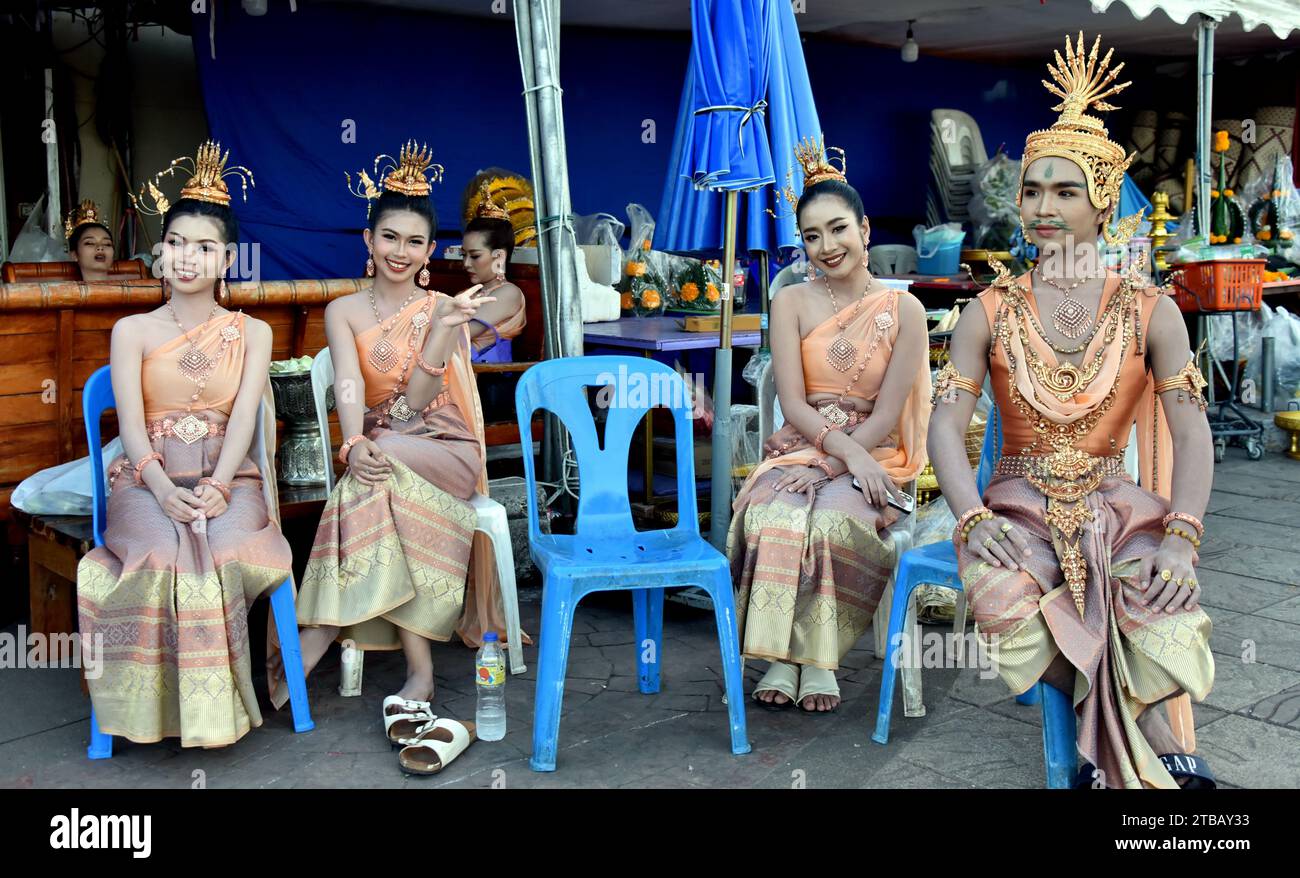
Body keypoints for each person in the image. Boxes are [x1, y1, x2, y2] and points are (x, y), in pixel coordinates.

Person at [927, 34, 1216, 788]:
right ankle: (1160, 755)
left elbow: (1192, 431)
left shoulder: (1151, 311)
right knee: (1001, 599)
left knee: (1161, 601)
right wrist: (971, 518)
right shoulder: (986, 310)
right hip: (1015, 507)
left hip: (1118, 505)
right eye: (1031, 190)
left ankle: (1105, 762)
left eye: (1065, 191)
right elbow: (944, 430)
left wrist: (1182, 536)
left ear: (1102, 202)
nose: (1043, 207)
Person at [291, 142, 508, 751]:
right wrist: (353, 441)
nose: (400, 252)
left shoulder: (443, 306)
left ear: (429, 251)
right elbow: (351, 384)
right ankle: (420, 672)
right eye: (389, 237)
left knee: (377, 468)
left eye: (415, 242)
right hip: (386, 444)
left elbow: (416, 402)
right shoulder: (343, 309)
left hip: (445, 443)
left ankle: (317, 634)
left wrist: (441, 334)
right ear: (368, 238)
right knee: (374, 478)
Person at [76, 141, 291, 747]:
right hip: (148, 476)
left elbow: (245, 415)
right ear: (159, 254)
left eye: (205, 247)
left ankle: (209, 717)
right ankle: (151, 715)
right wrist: (164, 488)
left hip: (229, 477)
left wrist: (220, 487)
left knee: (221, 555)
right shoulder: (132, 331)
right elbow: (133, 426)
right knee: (159, 556)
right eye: (176, 244)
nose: (188, 258)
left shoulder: (253, 332)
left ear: (227, 258)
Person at [728, 138, 931, 713]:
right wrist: (820, 457)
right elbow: (792, 402)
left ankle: (819, 662)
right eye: (812, 236)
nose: (827, 246)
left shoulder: (904, 311)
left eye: (838, 229)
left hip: (873, 451)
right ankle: (777, 656)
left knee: (834, 523)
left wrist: (836, 462)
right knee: (774, 512)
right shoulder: (790, 301)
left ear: (865, 229)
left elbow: (888, 415)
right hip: (801, 441)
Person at [460, 179, 525, 360]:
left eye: (474, 256)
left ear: (499, 256)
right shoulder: (469, 293)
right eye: (463, 255)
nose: (466, 264)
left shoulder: (508, 292)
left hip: (485, 380)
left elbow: (459, 333)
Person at [65, 199, 114, 281]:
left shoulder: (132, 291)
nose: (100, 247)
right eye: (90, 243)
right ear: (74, 255)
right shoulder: (65, 293)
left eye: (107, 244)